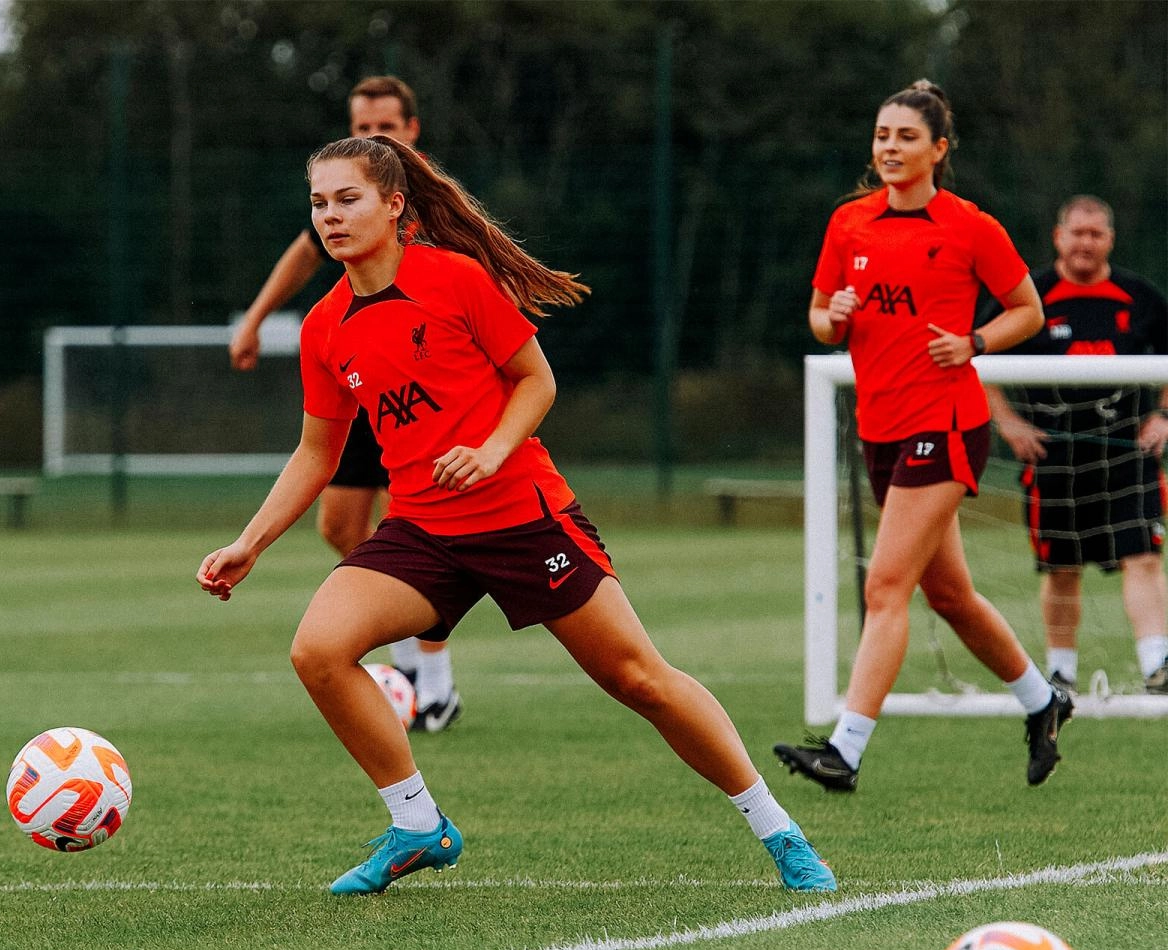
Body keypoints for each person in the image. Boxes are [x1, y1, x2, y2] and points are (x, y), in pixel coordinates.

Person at [198, 135, 836, 895]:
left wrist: (494, 448)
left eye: (347, 198)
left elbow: (537, 381)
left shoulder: (455, 279)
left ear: (394, 205)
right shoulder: (325, 327)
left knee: (640, 680)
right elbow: (315, 454)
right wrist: (251, 542)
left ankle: (780, 831)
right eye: (318, 202)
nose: (329, 216)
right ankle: (416, 825)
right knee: (318, 649)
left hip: (523, 519)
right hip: (424, 532)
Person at [774, 80, 1071, 793]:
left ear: (940, 149)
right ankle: (1044, 701)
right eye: (882, 135)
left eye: (907, 137)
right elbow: (819, 318)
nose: (890, 148)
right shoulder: (849, 224)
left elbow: (1027, 310)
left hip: (947, 425)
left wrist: (973, 342)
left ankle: (844, 749)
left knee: (884, 585)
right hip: (881, 427)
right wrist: (835, 314)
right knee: (952, 596)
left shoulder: (970, 225)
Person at [229, 76, 460, 730]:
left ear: (411, 130)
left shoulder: (426, 206)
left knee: (416, 527)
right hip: (361, 379)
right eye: (363, 123)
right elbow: (303, 256)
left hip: (425, 390)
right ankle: (404, 649)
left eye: (385, 124)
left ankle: (433, 684)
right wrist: (254, 319)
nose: (374, 134)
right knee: (339, 526)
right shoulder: (344, 197)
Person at [981, 195, 1168, 695]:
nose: (1086, 243)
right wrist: (1009, 423)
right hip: (1052, 454)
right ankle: (1061, 672)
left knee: (1144, 557)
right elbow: (975, 354)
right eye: (1077, 233)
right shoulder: (1028, 297)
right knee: (1061, 567)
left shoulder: (1140, 297)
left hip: (1128, 451)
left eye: (1096, 234)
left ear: (1110, 239)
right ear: (1058, 237)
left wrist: (1163, 416)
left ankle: (1158, 666)